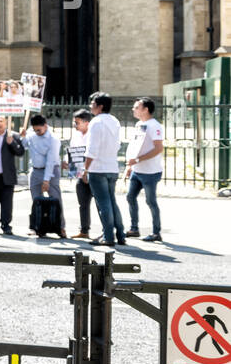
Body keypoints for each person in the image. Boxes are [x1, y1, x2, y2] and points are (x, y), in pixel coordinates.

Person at [83, 91, 126, 247]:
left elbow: (92, 149)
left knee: (103, 204)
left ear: (100, 106)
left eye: (92, 104)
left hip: (98, 167)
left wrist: (85, 169)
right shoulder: (114, 120)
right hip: (112, 166)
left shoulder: (96, 122)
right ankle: (120, 234)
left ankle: (108, 236)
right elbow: (118, 144)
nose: (90, 106)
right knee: (112, 202)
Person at [124, 97, 164, 242]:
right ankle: (134, 228)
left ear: (145, 109)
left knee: (150, 201)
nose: (133, 109)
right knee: (130, 197)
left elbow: (158, 148)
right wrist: (130, 166)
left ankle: (156, 232)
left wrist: (139, 160)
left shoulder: (155, 126)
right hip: (137, 170)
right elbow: (136, 146)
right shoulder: (139, 124)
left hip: (150, 171)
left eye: (136, 107)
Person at [21, 113, 66, 239]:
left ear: (45, 126)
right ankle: (38, 227)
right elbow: (24, 146)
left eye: (39, 130)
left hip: (51, 171)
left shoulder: (53, 139)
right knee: (36, 200)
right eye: (35, 130)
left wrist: (46, 180)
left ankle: (61, 227)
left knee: (56, 199)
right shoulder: (32, 134)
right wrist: (23, 137)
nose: (37, 132)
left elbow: (51, 161)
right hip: (35, 170)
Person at [65, 108, 93, 239]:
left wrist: (87, 171)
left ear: (86, 122)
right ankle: (84, 230)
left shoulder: (93, 135)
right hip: (79, 174)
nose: (74, 125)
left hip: (94, 174)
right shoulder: (76, 136)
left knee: (101, 204)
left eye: (77, 122)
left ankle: (107, 231)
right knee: (83, 203)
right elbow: (71, 152)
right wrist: (66, 162)